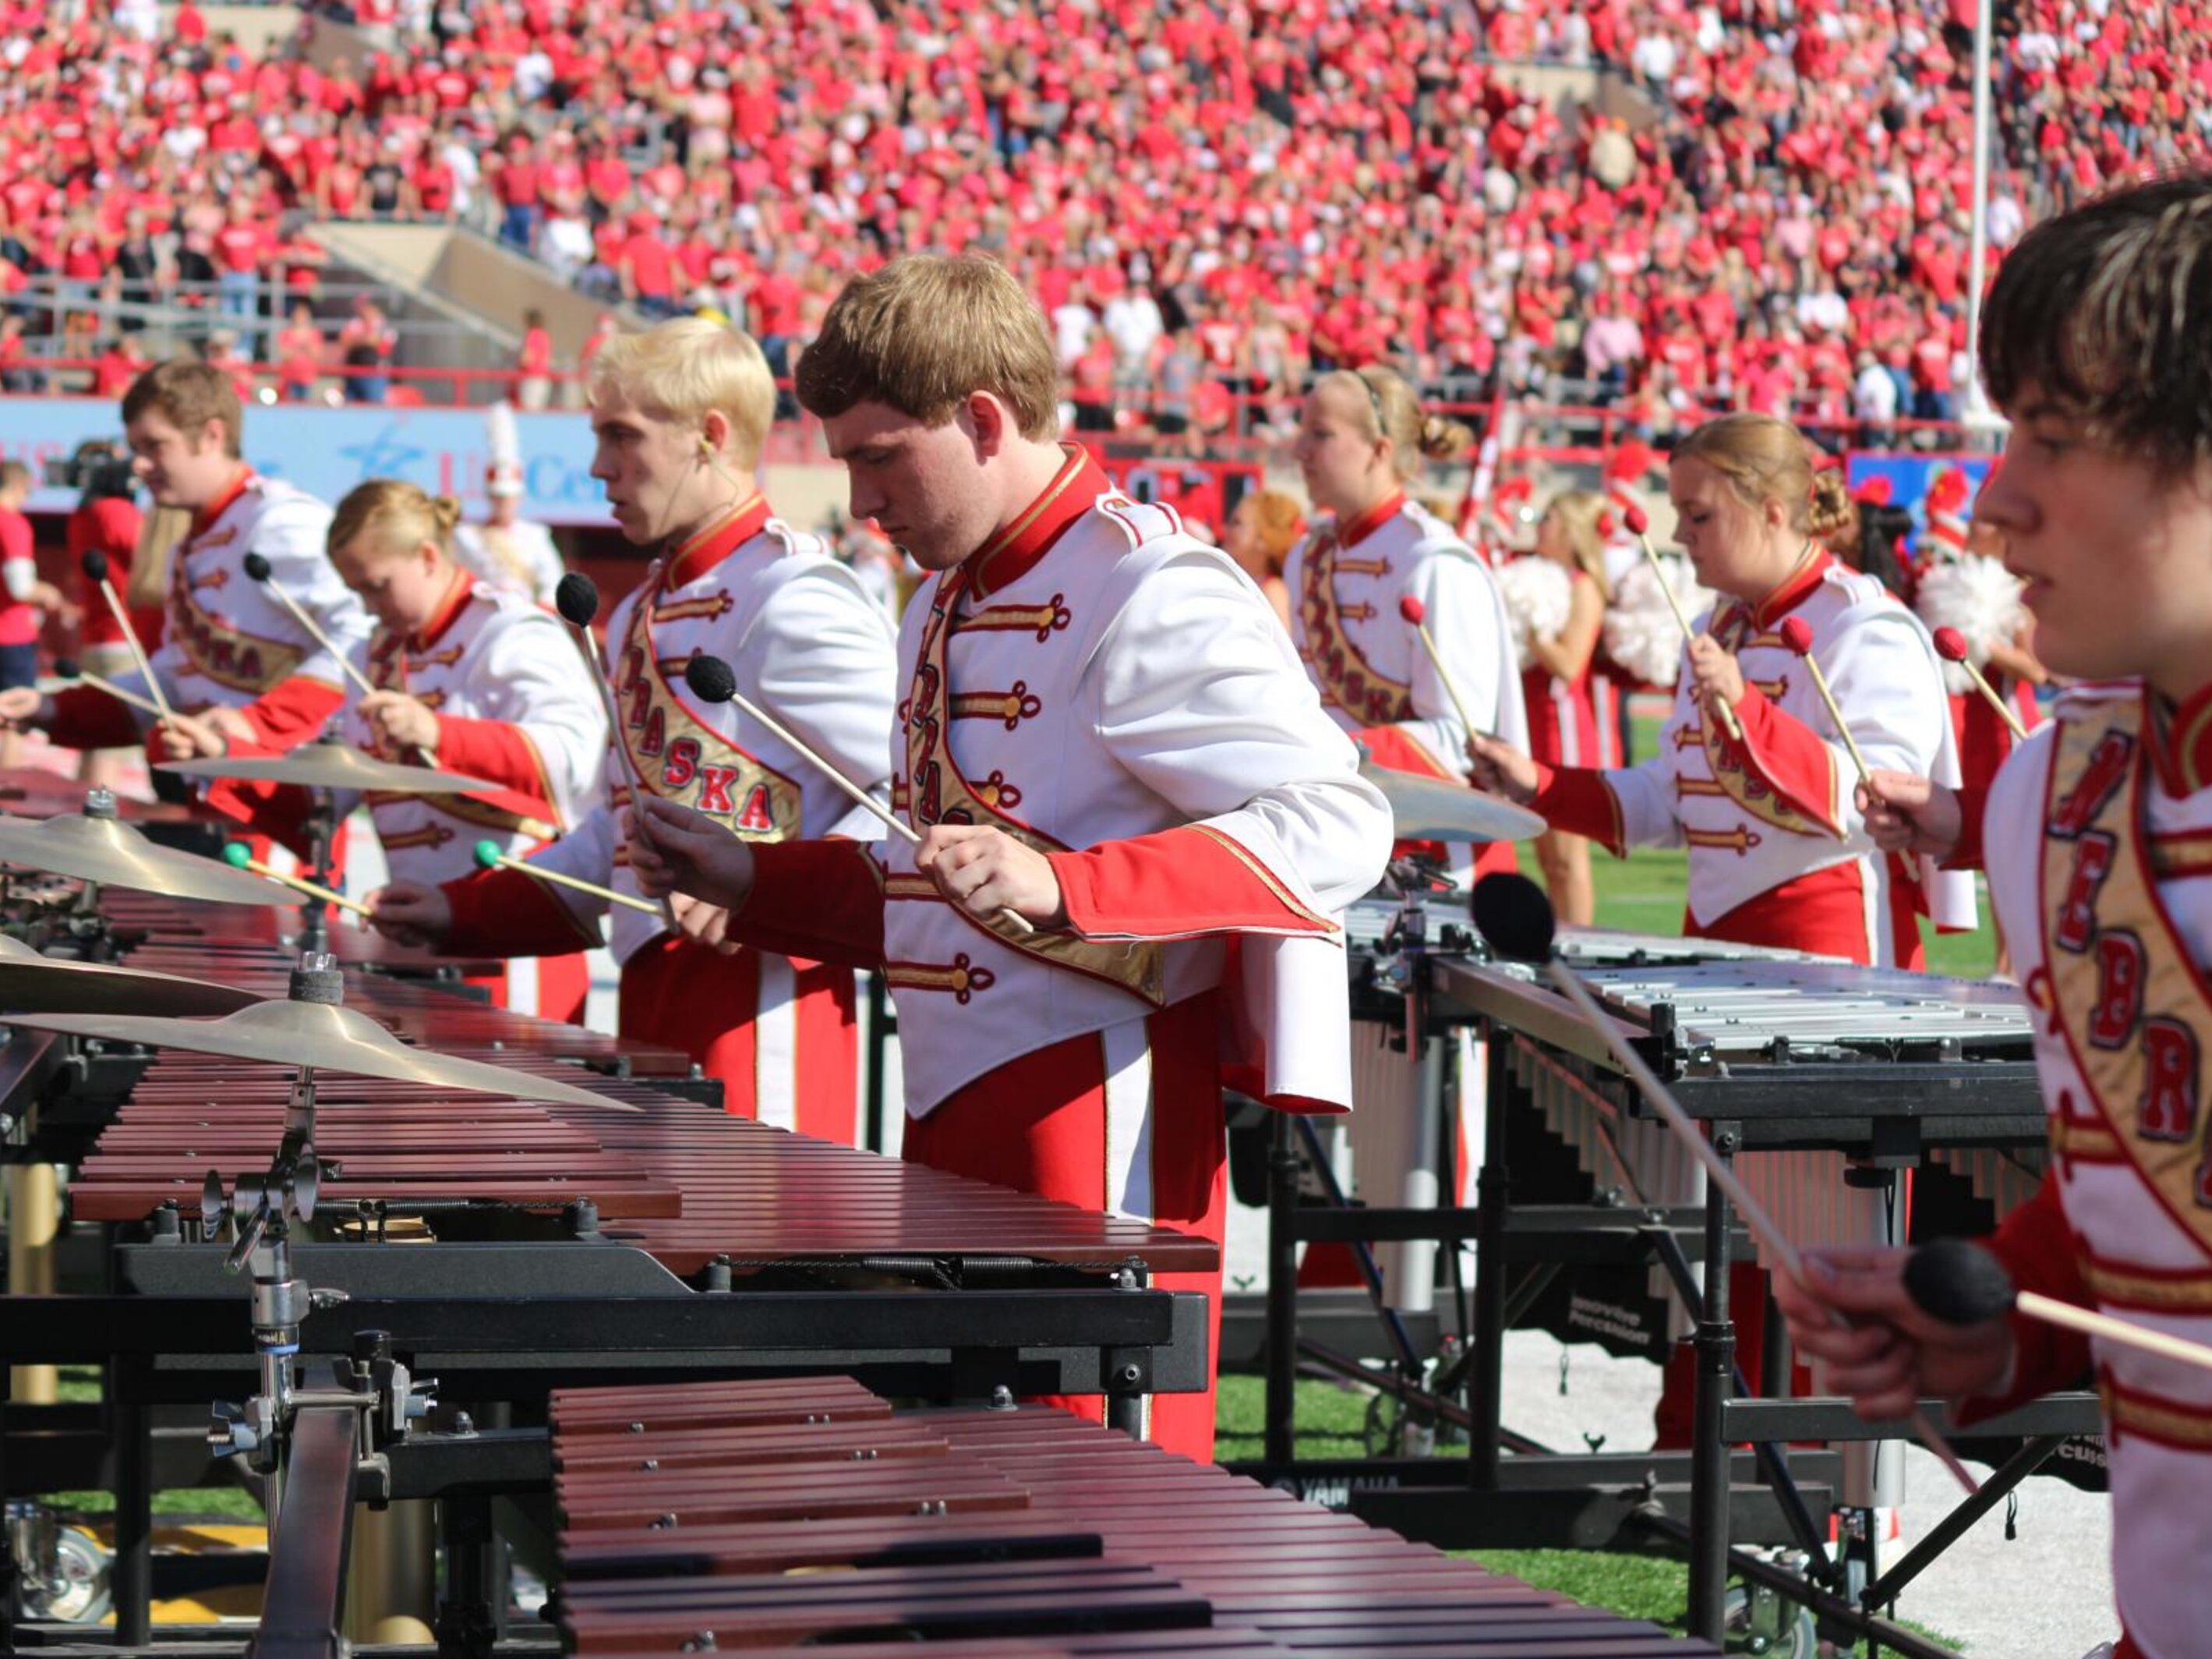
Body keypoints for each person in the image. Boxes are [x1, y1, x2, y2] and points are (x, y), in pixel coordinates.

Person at [614, 255, 1392, 1462]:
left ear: (983, 419)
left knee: (1100, 1521)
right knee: (970, 1503)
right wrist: (749, 879)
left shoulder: (1145, 581)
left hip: (1097, 1107)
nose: (862, 499)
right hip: (950, 1110)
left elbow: (1340, 821)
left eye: (880, 456)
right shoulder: (944, 595)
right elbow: (932, 886)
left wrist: (1074, 884)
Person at [1778, 175, 2212, 1659]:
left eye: (2057, 433)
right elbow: (2149, 1203)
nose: (1989, 500)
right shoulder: (2049, 801)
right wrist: (2003, 1315)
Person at [366, 318, 897, 1137]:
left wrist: (766, 886)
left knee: (751, 1261)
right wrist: (458, 909)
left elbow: (914, 794)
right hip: (654, 1010)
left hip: (763, 1024)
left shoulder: (793, 596)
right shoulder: (639, 612)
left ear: (710, 437)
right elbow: (608, 843)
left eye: (623, 436)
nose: (598, 467)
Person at [1468, 412, 1970, 970]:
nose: (1680, 535)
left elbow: (1878, 805)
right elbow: (1670, 799)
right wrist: (1537, 783)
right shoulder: (1716, 628)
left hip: (1832, 942)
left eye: (1698, 515)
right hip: (1709, 940)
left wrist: (1746, 710)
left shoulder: (1864, 626)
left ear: (1771, 513)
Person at [221, 482, 607, 1018]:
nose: (368, 608)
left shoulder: (510, 631)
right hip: (416, 945)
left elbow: (575, 757)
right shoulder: (371, 653)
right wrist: (223, 757)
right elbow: (324, 794)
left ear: (428, 557)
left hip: (517, 946)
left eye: (377, 587)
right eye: (356, 592)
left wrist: (439, 733)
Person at [0, 362, 369, 776]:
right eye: (136, 449)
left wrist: (256, 724)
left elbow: (361, 638)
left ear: (212, 436)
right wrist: (51, 707)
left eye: (155, 446)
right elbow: (173, 679)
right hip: (210, 792)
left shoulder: (279, 522)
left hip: (283, 802)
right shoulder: (187, 545)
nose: (138, 465)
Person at [1284, 363, 1527, 879]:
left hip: (1432, 851)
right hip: (1332, 833)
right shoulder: (1306, 554)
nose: (1298, 450)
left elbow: (1460, 738)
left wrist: (1327, 760)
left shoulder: (1434, 561)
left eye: (1321, 434)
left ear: (1381, 450)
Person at [1518, 490, 1610, 927]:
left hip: (1565, 728)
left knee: (1569, 858)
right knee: (1547, 857)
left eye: (1548, 517)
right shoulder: (1539, 575)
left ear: (1571, 531)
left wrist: (1529, 625)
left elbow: (1569, 664)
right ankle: (1555, 946)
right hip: (1532, 721)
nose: (1540, 525)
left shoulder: (1584, 586)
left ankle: (1579, 944)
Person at [62, 440, 147, 790]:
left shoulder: (84, 514)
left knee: (92, 743)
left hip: (98, 635)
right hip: (122, 634)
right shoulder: (116, 511)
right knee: (110, 747)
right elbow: (150, 563)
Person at [0, 462, 66, 769]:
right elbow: (21, 587)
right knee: (12, 721)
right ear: (17, 486)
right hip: (10, 638)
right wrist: (49, 593)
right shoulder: (12, 524)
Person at [453, 462, 563, 606]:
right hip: (484, 610)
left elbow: (552, 579)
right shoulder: (467, 536)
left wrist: (545, 607)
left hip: (524, 610)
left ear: (518, 498)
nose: (502, 502)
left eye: (508, 497)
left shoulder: (535, 535)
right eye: (497, 496)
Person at [1218, 486, 1302, 632]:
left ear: (1264, 539)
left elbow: (1280, 649)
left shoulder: (1273, 591)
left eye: (1237, 523)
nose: (1227, 528)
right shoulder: (1245, 581)